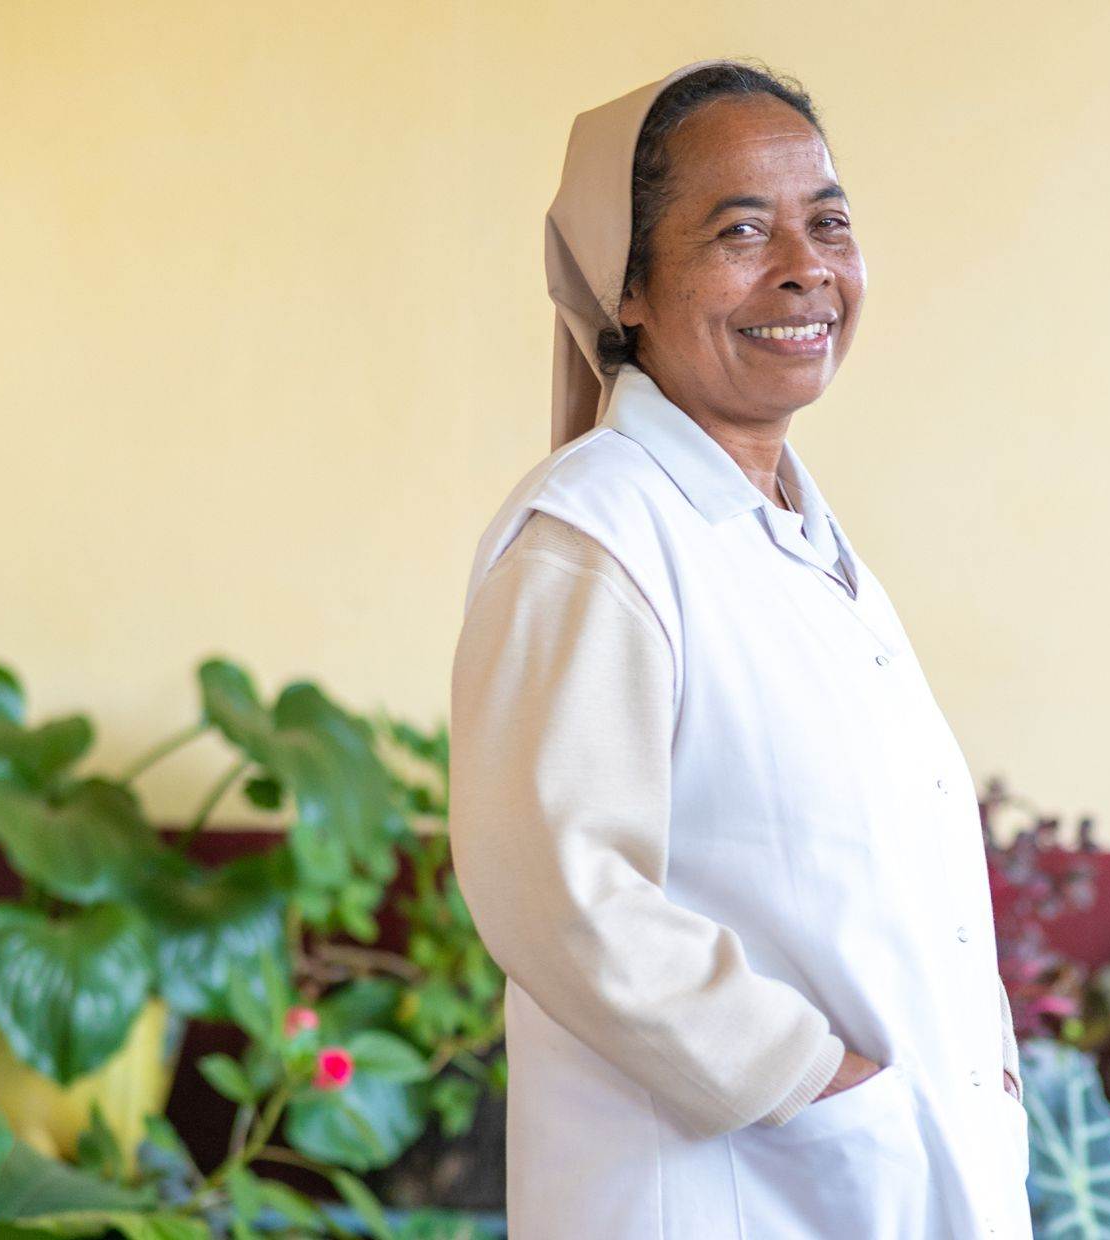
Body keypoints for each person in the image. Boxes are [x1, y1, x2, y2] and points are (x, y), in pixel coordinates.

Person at [448, 57, 1032, 1240]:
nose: (804, 266)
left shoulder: (796, 543)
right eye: (740, 229)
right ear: (629, 287)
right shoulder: (593, 535)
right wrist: (807, 1080)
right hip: (730, 1190)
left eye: (826, 222)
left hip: (871, 1180)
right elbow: (560, 894)